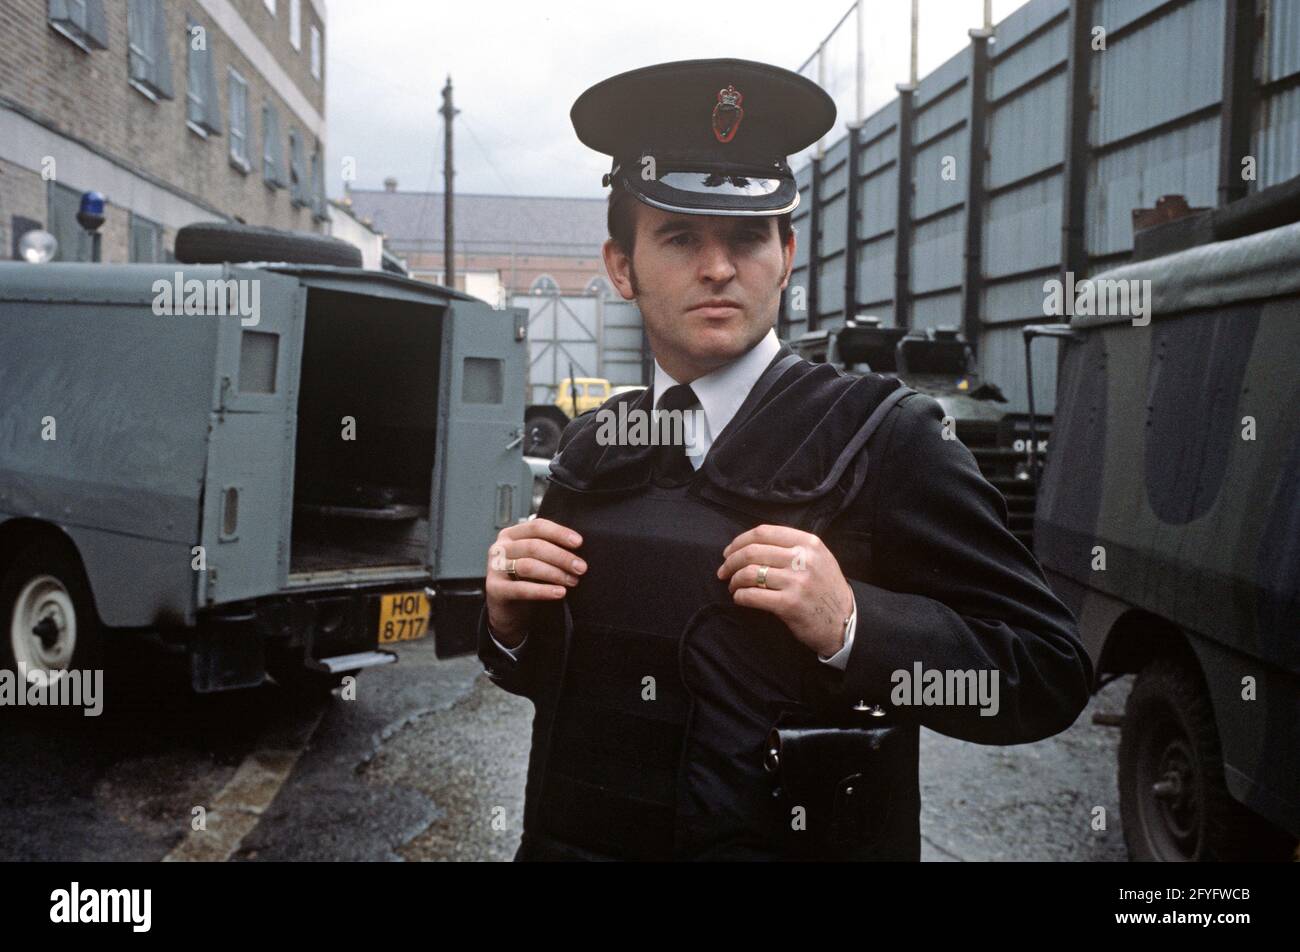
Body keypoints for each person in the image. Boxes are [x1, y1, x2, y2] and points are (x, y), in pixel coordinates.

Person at [479, 58, 1093, 861]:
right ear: (621, 265)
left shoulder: (887, 436)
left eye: (747, 236)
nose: (720, 268)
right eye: (678, 236)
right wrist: (508, 625)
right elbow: (575, 688)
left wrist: (856, 626)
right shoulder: (596, 447)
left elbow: (1048, 676)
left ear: (787, 251)